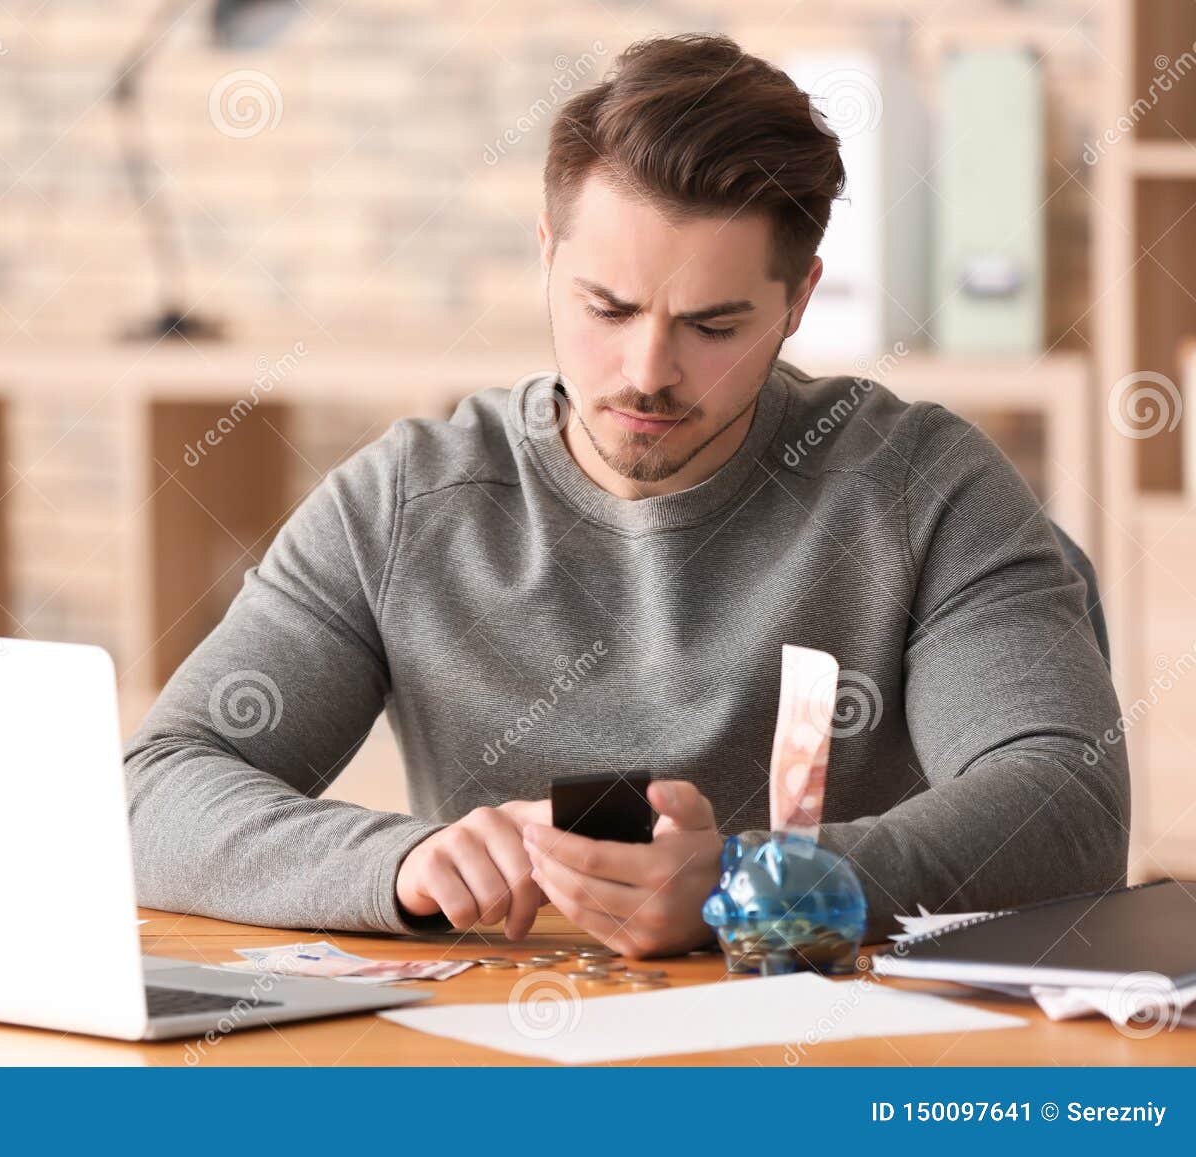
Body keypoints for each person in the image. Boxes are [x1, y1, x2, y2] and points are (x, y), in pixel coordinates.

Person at [122, 33, 1128, 957]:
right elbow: (152, 789)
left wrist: (751, 886)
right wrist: (397, 861)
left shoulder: (925, 489)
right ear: (547, 256)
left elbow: (1066, 803)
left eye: (713, 325)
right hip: (504, 1053)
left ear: (798, 301)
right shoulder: (408, 500)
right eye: (606, 307)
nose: (646, 371)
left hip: (831, 1058)